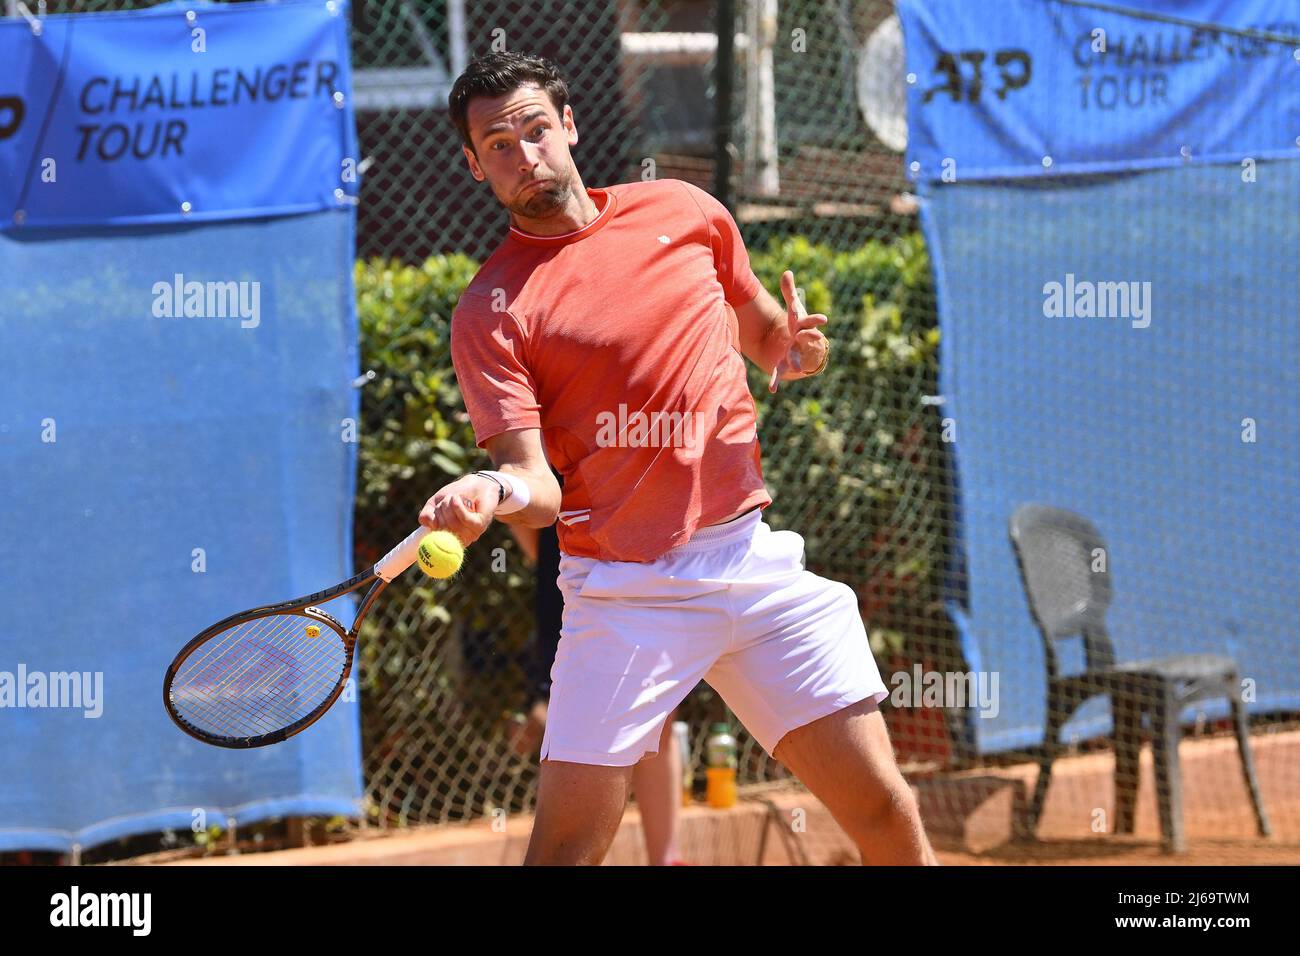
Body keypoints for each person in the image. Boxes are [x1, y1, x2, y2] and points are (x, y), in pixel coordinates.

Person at [420, 51, 938, 866]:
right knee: (562, 848)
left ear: (570, 127)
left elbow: (763, 329)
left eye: (535, 131)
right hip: (627, 593)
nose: (525, 156)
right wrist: (491, 487)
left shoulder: (685, 210)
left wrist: (791, 350)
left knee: (881, 805)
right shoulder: (491, 310)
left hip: (752, 560)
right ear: (473, 164)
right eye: (498, 145)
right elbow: (538, 487)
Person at [508, 519, 687, 866]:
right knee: (575, 720)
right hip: (576, 576)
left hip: (648, 566)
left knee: (660, 709)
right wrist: (566, 561)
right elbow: (525, 510)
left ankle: (666, 859)